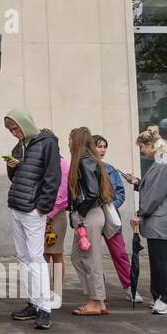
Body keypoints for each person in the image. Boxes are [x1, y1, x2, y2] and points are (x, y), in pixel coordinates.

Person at [3, 108, 62, 330]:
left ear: (25, 123)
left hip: (32, 209)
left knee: (36, 258)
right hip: (17, 206)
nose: (14, 133)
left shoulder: (47, 143)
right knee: (23, 257)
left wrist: (42, 208)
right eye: (10, 130)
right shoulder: (20, 146)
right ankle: (34, 302)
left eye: (15, 128)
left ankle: (45, 308)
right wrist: (11, 168)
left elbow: (52, 177)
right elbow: (16, 177)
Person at [131, 125, 167, 315]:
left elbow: (154, 196)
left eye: (143, 147)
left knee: (159, 259)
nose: (142, 150)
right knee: (164, 259)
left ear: (151, 145)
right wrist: (138, 183)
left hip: (159, 220)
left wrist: (140, 213)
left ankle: (163, 298)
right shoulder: (164, 163)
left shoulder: (161, 166)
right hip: (162, 220)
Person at [67, 127, 115, 317]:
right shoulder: (89, 160)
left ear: (77, 141)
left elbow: (92, 192)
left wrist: (80, 211)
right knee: (78, 257)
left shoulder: (85, 161)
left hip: (89, 215)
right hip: (90, 214)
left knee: (90, 259)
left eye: (70, 140)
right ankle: (97, 299)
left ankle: (95, 301)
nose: (68, 143)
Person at [93, 135, 139, 303]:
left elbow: (120, 192)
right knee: (92, 254)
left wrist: (110, 206)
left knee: (119, 252)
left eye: (105, 146)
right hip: (91, 216)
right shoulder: (84, 167)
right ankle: (98, 287)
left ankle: (129, 287)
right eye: (99, 146)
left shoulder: (110, 169)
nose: (103, 150)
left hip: (111, 216)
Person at [43, 149, 71, 311]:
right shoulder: (44, 162)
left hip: (56, 215)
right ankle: (44, 290)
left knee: (56, 253)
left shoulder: (62, 163)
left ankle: (57, 292)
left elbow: (63, 193)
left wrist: (49, 213)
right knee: (43, 253)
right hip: (43, 214)